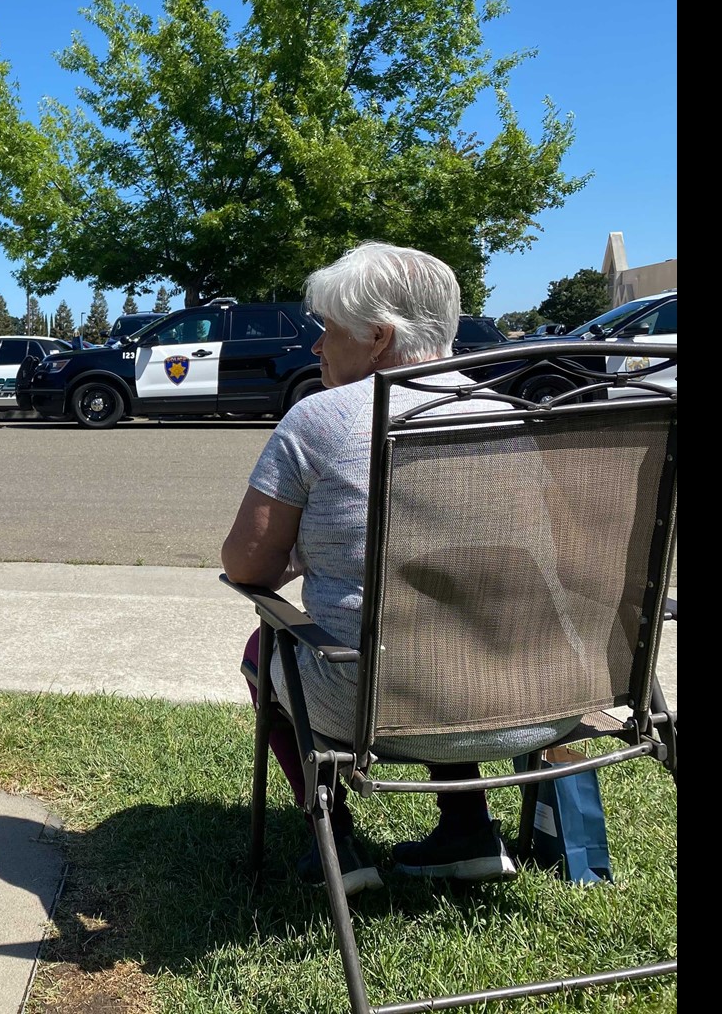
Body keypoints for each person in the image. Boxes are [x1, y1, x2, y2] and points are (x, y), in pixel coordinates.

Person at [220, 241, 574, 893]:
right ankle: (467, 829)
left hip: (377, 704)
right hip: (541, 691)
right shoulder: (508, 414)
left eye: (328, 330)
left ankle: (336, 839)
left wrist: (306, 550)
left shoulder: (319, 421)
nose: (317, 348)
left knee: (259, 645)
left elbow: (247, 566)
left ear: (378, 338)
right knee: (445, 616)